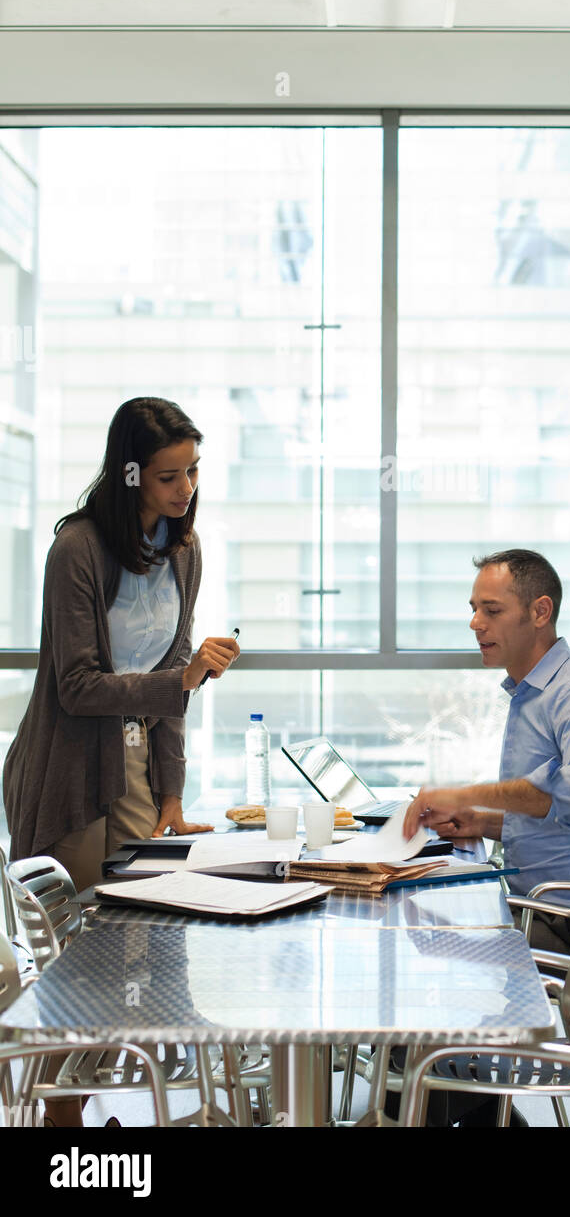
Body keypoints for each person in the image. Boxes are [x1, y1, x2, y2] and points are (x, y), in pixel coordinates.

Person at [2, 396, 240, 1126]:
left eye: (193, 472)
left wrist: (170, 794)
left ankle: (100, 1100)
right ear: (130, 473)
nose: (184, 489)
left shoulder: (183, 550)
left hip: (135, 768)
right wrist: (184, 677)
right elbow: (76, 688)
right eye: (169, 476)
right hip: (69, 771)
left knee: (142, 947)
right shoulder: (78, 548)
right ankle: (58, 1119)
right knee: (75, 964)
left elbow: (172, 679)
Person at [404, 548, 570, 954]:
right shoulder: (531, 692)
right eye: (474, 609)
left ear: (540, 612)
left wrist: (462, 794)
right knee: (418, 914)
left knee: (422, 940)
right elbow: (557, 818)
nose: (475, 623)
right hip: (539, 904)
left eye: (492, 611)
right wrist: (481, 823)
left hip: (568, 924)